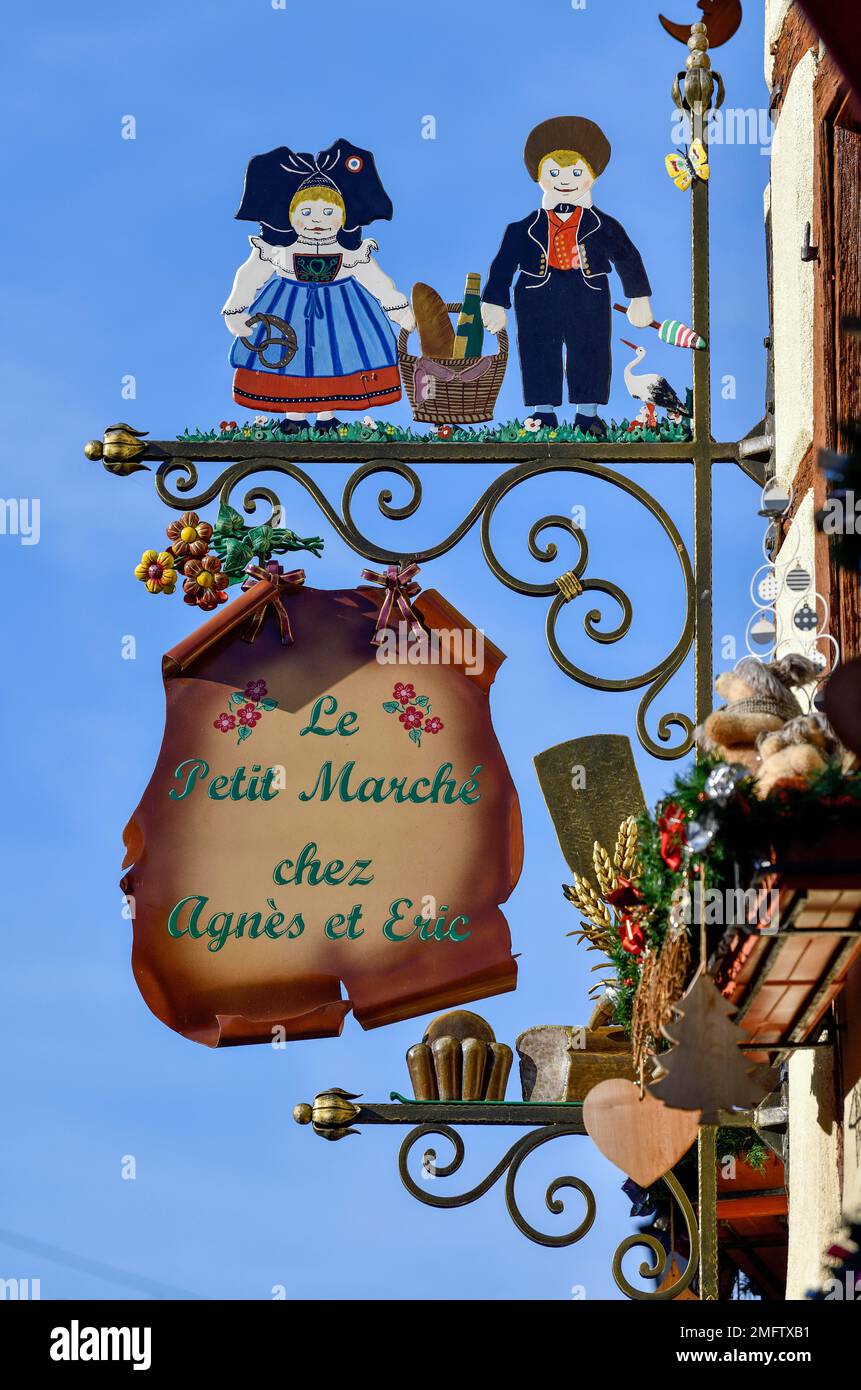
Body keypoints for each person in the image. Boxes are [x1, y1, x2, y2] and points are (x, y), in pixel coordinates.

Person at [222, 141, 415, 434]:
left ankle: (327, 416)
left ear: (343, 217)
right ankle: (294, 416)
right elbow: (251, 273)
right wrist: (235, 310)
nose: (316, 220)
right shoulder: (278, 249)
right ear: (290, 215)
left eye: (328, 212)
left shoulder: (350, 252)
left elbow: (376, 279)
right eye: (306, 211)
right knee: (292, 359)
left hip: (342, 311)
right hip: (288, 310)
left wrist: (398, 310)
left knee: (335, 356)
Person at [481, 116, 653, 437]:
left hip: (588, 292)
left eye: (575, 173)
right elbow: (504, 264)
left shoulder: (603, 225)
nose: (564, 180)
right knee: (537, 348)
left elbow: (627, 256)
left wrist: (638, 297)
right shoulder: (523, 228)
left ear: (591, 176)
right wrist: (494, 301)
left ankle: (587, 415)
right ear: (540, 176)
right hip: (536, 293)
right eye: (554, 173)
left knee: (590, 348)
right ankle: (542, 413)